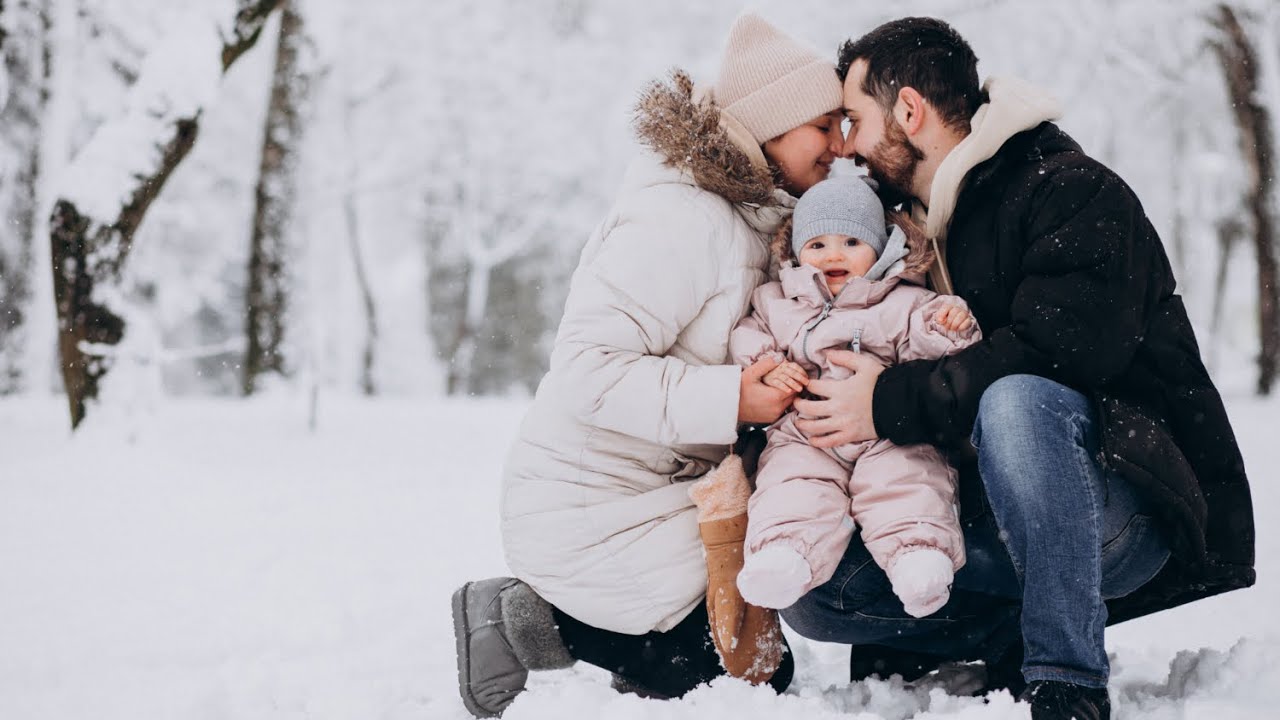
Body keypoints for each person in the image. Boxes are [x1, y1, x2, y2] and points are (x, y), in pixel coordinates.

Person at [780, 17, 1256, 720]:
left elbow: (1056, 350)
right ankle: (1010, 628)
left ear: (909, 111)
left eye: (854, 118)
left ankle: (1065, 679)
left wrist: (886, 400)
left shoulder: (1071, 191)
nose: (845, 143)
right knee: (818, 594)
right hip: (984, 520)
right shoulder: (893, 232)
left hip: (1118, 513)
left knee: (1018, 400)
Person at [451, 14, 845, 717]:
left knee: (756, 658)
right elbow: (586, 369)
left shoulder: (753, 220)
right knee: (738, 676)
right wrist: (733, 400)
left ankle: (618, 632)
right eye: (825, 124)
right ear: (771, 128)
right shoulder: (682, 219)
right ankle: (518, 620)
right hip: (591, 506)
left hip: (660, 492)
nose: (839, 145)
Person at [719, 174, 979, 618]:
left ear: (880, 250)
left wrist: (946, 326)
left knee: (906, 480)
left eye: (851, 241)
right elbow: (747, 335)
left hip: (887, 434)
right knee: (792, 484)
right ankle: (785, 556)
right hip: (806, 434)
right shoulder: (776, 301)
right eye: (817, 244)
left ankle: (917, 557)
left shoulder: (903, 303)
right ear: (796, 251)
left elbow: (928, 349)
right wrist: (768, 364)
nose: (832, 254)